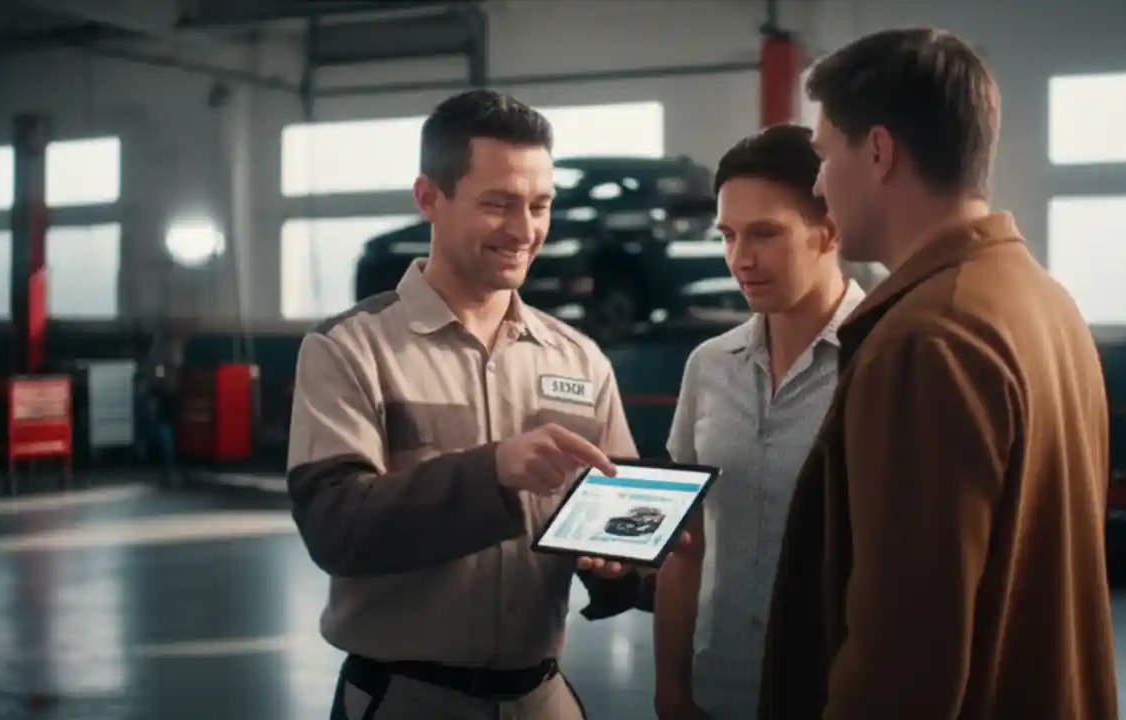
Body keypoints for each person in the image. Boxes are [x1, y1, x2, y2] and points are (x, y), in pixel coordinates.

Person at [758, 29, 1119, 719]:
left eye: (825, 154)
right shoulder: (1042, 300)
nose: (817, 183)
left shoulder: (926, 339)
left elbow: (904, 655)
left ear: (878, 152)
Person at [287, 89, 653, 720]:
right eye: (498, 204)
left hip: (542, 700)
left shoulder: (579, 360)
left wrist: (622, 565)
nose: (524, 230)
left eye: (540, 206)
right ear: (429, 197)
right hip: (407, 699)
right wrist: (493, 471)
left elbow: (618, 528)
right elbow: (336, 525)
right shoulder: (349, 349)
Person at [653, 124, 866, 720]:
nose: (740, 259)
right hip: (718, 686)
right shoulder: (709, 366)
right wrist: (671, 686)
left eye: (765, 234)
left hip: (832, 696)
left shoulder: (879, 361)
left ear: (831, 231)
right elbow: (684, 547)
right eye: (728, 235)